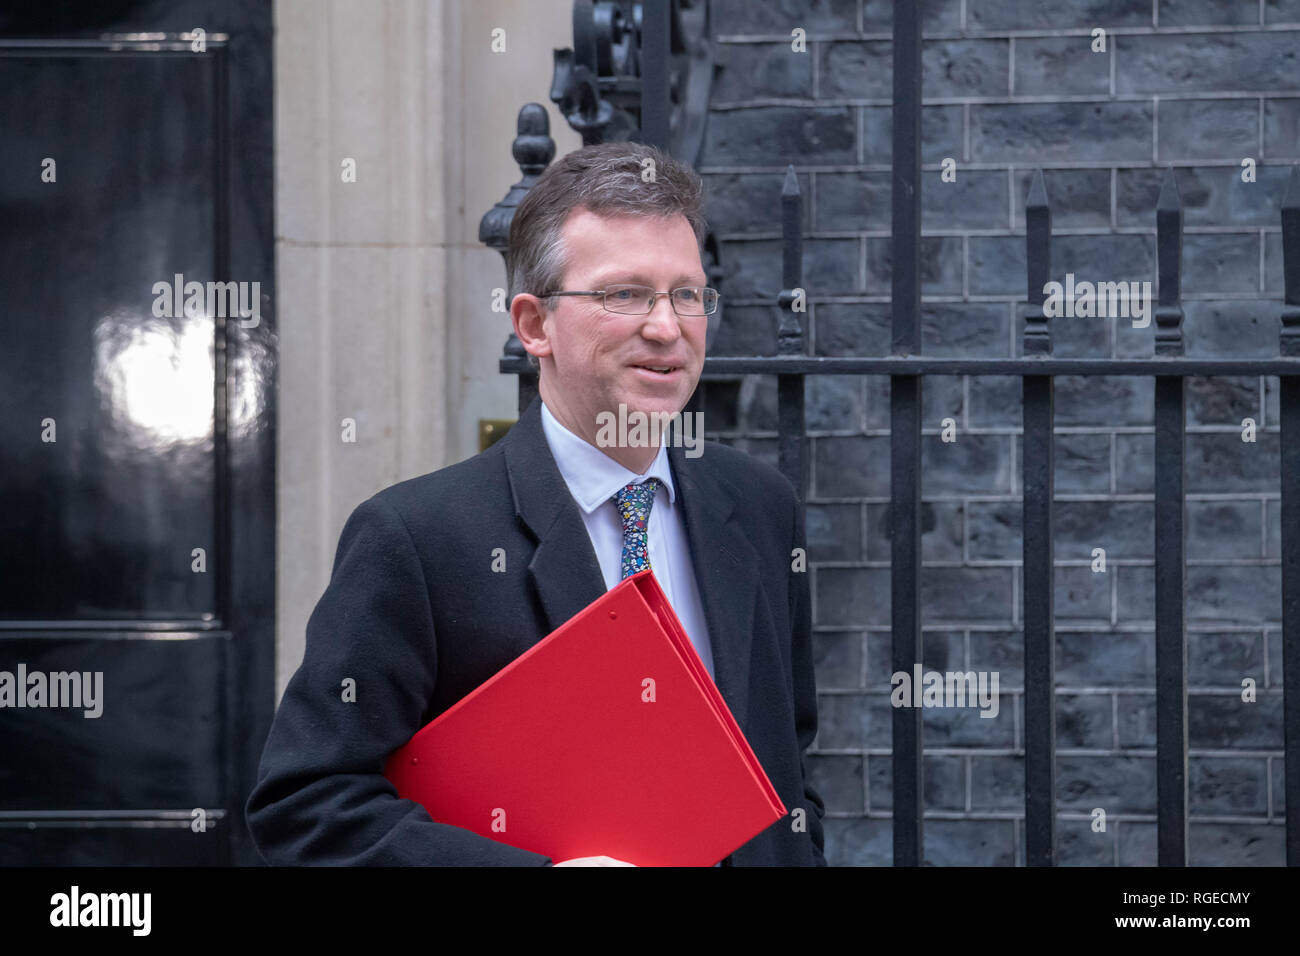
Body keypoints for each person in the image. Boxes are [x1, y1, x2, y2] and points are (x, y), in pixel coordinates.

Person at [245, 140, 826, 866]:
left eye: (686, 293)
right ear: (532, 325)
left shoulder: (760, 507)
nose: (668, 328)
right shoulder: (418, 538)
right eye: (624, 294)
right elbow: (306, 808)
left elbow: (788, 766)